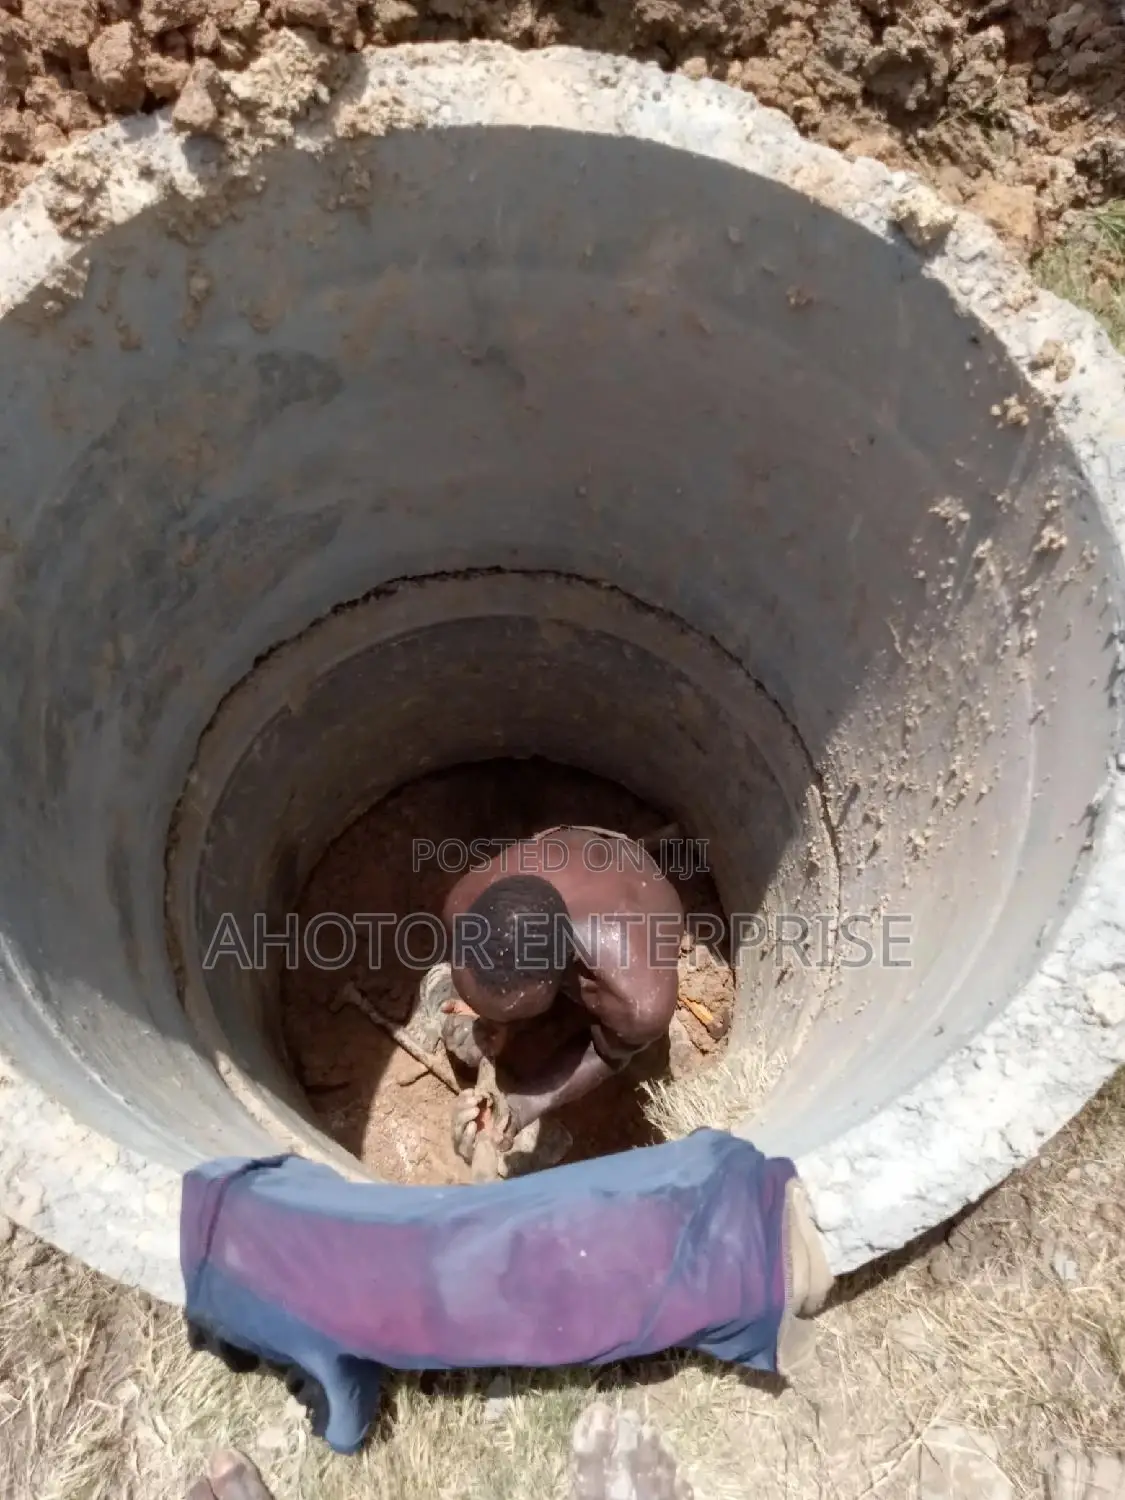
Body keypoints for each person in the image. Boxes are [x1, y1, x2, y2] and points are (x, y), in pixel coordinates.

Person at [436, 825, 685, 1175]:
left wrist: (519, 1109)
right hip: (581, 848)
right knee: (467, 1039)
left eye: (510, 1013)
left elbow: (605, 1055)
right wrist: (481, 1012)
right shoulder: (464, 903)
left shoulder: (637, 1001)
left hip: (642, 893)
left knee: (634, 1047)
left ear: (562, 979)